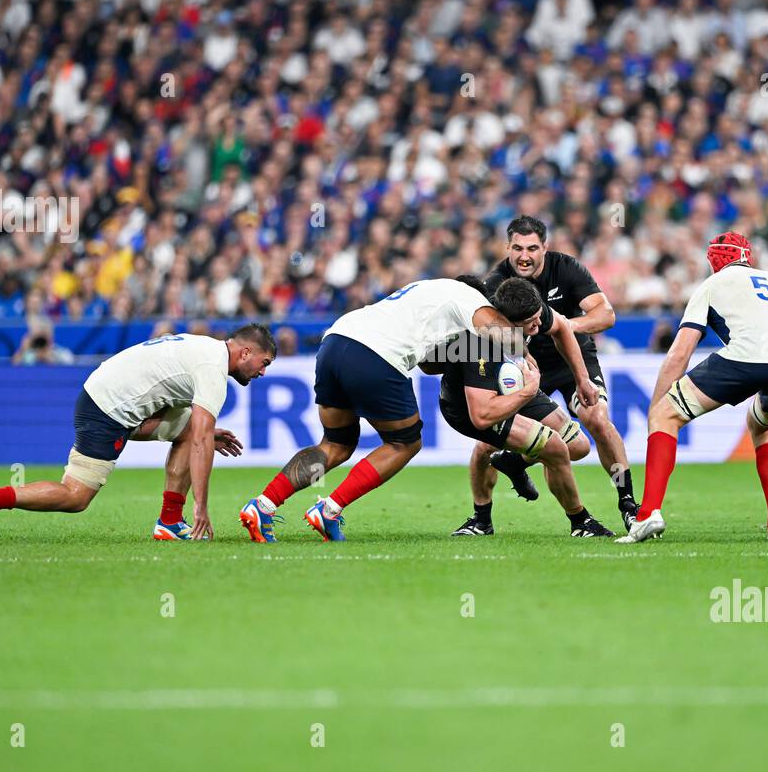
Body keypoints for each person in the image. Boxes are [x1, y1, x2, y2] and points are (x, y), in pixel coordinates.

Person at [239, 276, 599, 542]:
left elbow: (429, 363)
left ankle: (264, 504)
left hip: (336, 341)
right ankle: (329, 508)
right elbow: (497, 331)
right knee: (405, 443)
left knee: (335, 443)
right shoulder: (474, 304)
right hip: (377, 355)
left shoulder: (435, 290)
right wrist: (523, 360)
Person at [0, 325, 277, 543]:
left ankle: (169, 521)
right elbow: (200, 440)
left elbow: (196, 432)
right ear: (246, 352)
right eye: (264, 363)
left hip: (108, 391)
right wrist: (202, 506)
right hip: (107, 406)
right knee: (75, 496)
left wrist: (203, 435)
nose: (263, 372)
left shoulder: (205, 347)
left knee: (195, 433)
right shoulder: (213, 369)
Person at [620, 232, 768, 543]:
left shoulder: (711, 286)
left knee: (664, 417)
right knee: (763, 424)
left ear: (713, 260)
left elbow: (679, 353)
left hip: (749, 357)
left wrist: (658, 405)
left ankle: (648, 515)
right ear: (747, 256)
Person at [482, 215, 641, 530]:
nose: (523, 256)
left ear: (545, 247)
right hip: (524, 367)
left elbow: (606, 315)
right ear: (508, 248)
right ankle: (481, 519)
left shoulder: (566, 268)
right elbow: (490, 333)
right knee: (487, 443)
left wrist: (565, 326)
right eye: (517, 248)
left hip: (572, 360)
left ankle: (628, 502)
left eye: (531, 248)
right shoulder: (497, 281)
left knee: (597, 418)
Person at [431, 276, 613, 538]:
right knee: (549, 448)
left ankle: (513, 463)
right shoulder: (479, 343)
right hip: (472, 405)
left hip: (517, 387)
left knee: (578, 446)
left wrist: (582, 379)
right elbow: (481, 416)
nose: (539, 325)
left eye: (539, 317)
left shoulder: (526, 307)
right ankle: (576, 521)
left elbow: (562, 327)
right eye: (530, 324)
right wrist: (528, 388)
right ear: (506, 323)